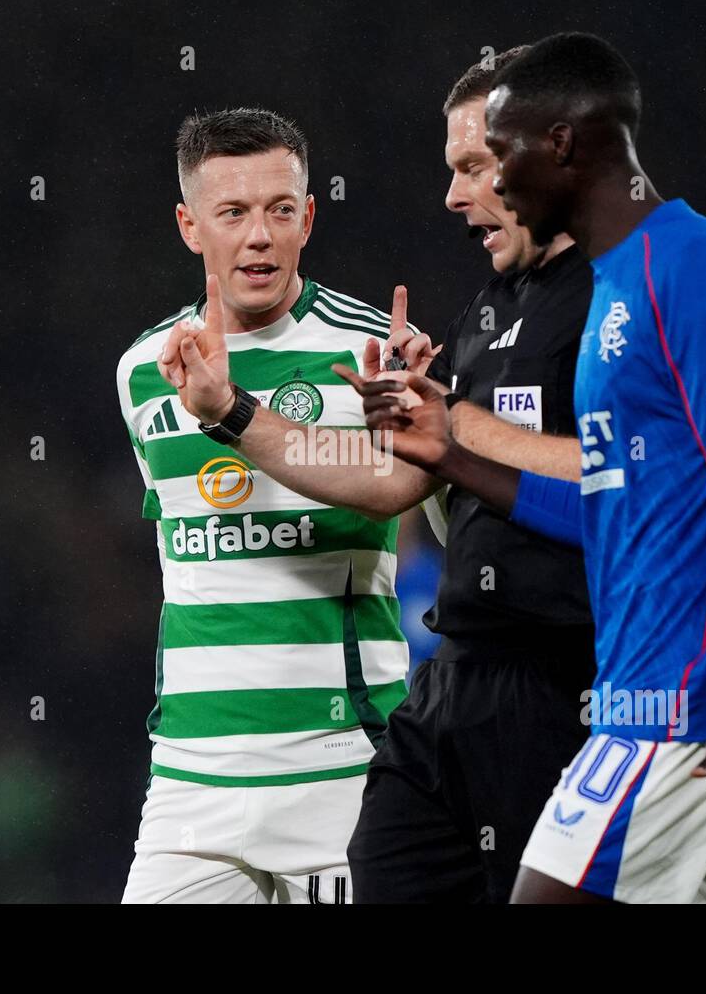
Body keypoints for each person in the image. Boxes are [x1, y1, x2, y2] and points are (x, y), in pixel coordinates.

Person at [339, 32, 706, 904]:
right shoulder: (614, 292)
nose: (488, 188)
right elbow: (614, 505)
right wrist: (452, 453)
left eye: (500, 156)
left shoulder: (699, 265)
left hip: (684, 701)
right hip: (637, 687)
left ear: (558, 145)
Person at [158, 48, 597, 903]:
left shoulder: (620, 296)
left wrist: (443, 433)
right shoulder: (488, 310)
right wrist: (437, 440)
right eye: (234, 211)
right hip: (437, 697)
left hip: (551, 682)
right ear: (189, 224)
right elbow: (440, 491)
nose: (453, 194)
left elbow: (637, 485)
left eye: (473, 166)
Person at [116, 108, 409, 904]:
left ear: (308, 218)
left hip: (341, 772)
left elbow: (408, 493)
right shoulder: (145, 371)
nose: (260, 237)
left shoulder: (372, 356)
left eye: (281, 211)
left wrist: (236, 413)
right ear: (189, 225)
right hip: (190, 782)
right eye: (233, 213)